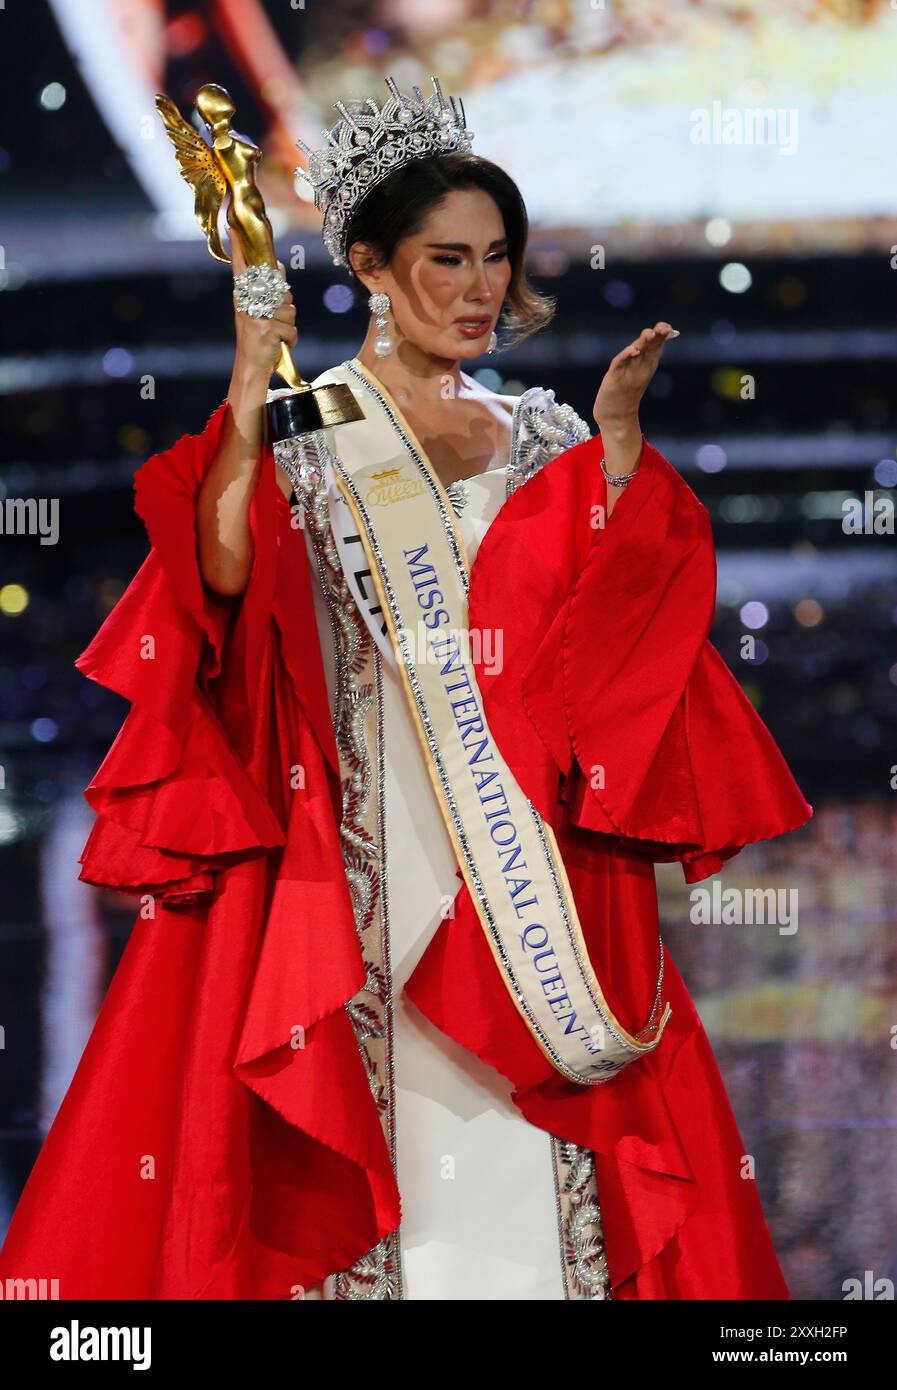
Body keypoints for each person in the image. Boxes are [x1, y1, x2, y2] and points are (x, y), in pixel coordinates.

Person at [0, 75, 812, 1301]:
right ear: (372, 264)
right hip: (359, 866)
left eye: (498, 257)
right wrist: (245, 382)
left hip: (524, 879)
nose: (483, 286)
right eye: (449, 258)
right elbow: (217, 576)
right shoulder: (308, 421)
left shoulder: (547, 434)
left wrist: (625, 463)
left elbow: (620, 660)